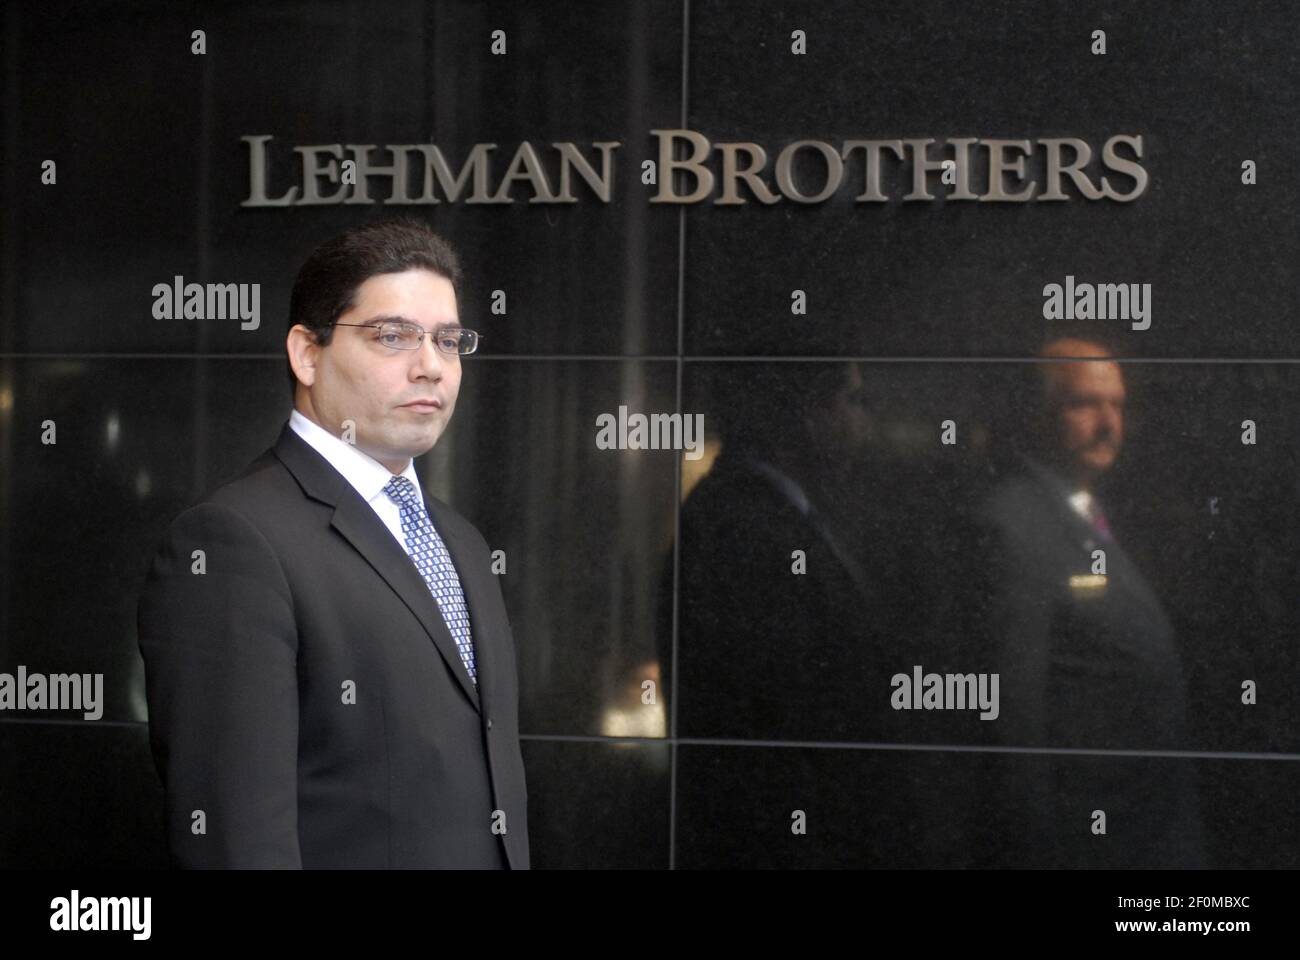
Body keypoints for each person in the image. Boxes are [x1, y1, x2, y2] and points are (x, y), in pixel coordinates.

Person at [137, 219, 528, 868]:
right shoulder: (234, 542)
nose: (431, 365)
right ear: (307, 354)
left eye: (449, 340)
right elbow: (238, 842)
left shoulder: (458, 539)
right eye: (393, 336)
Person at [970, 337, 1202, 866]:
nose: (1108, 423)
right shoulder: (1013, 524)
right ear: (1036, 412)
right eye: (1084, 403)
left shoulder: (1080, 511)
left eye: (1117, 404)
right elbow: (1013, 722)